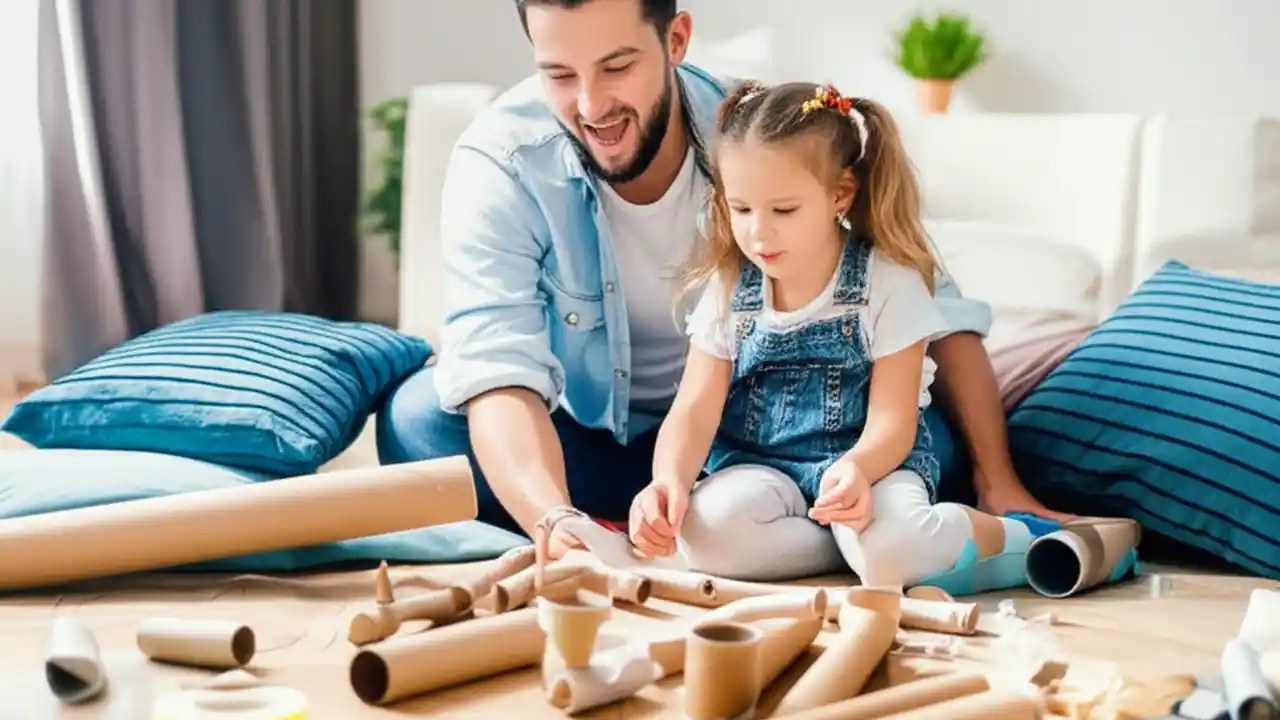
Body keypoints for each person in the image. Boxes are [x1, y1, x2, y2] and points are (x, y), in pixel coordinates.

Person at [376, 0, 1069, 563]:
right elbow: (498, 369)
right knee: (417, 423)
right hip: (615, 446)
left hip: (793, 437)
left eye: (617, 66)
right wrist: (552, 521)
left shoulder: (760, 136)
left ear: (676, 38)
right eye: (558, 74)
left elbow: (936, 312)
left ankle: (839, 523)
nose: (591, 105)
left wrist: (998, 479)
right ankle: (656, 523)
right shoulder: (500, 162)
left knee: (917, 442)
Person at [626, 81, 1060, 594]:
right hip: (761, 471)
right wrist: (668, 481)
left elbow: (894, 420)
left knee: (888, 550)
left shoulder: (888, 281)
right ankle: (864, 549)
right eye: (741, 209)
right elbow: (695, 407)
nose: (759, 233)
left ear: (840, 195)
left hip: (874, 468)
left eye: (783, 210)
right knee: (702, 534)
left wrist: (857, 468)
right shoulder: (729, 287)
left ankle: (1008, 536)